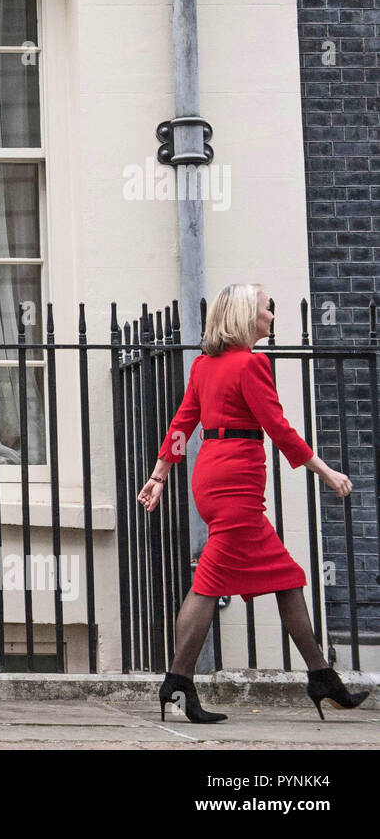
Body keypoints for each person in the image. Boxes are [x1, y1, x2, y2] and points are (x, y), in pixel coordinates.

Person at [137, 283, 368, 723]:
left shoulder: (204, 366)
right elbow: (278, 430)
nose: (272, 317)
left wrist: (160, 475)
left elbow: (183, 425)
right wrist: (327, 471)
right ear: (246, 315)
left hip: (211, 476)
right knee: (210, 580)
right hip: (237, 483)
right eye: (267, 309)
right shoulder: (252, 365)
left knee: (285, 575)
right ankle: (179, 681)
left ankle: (321, 676)